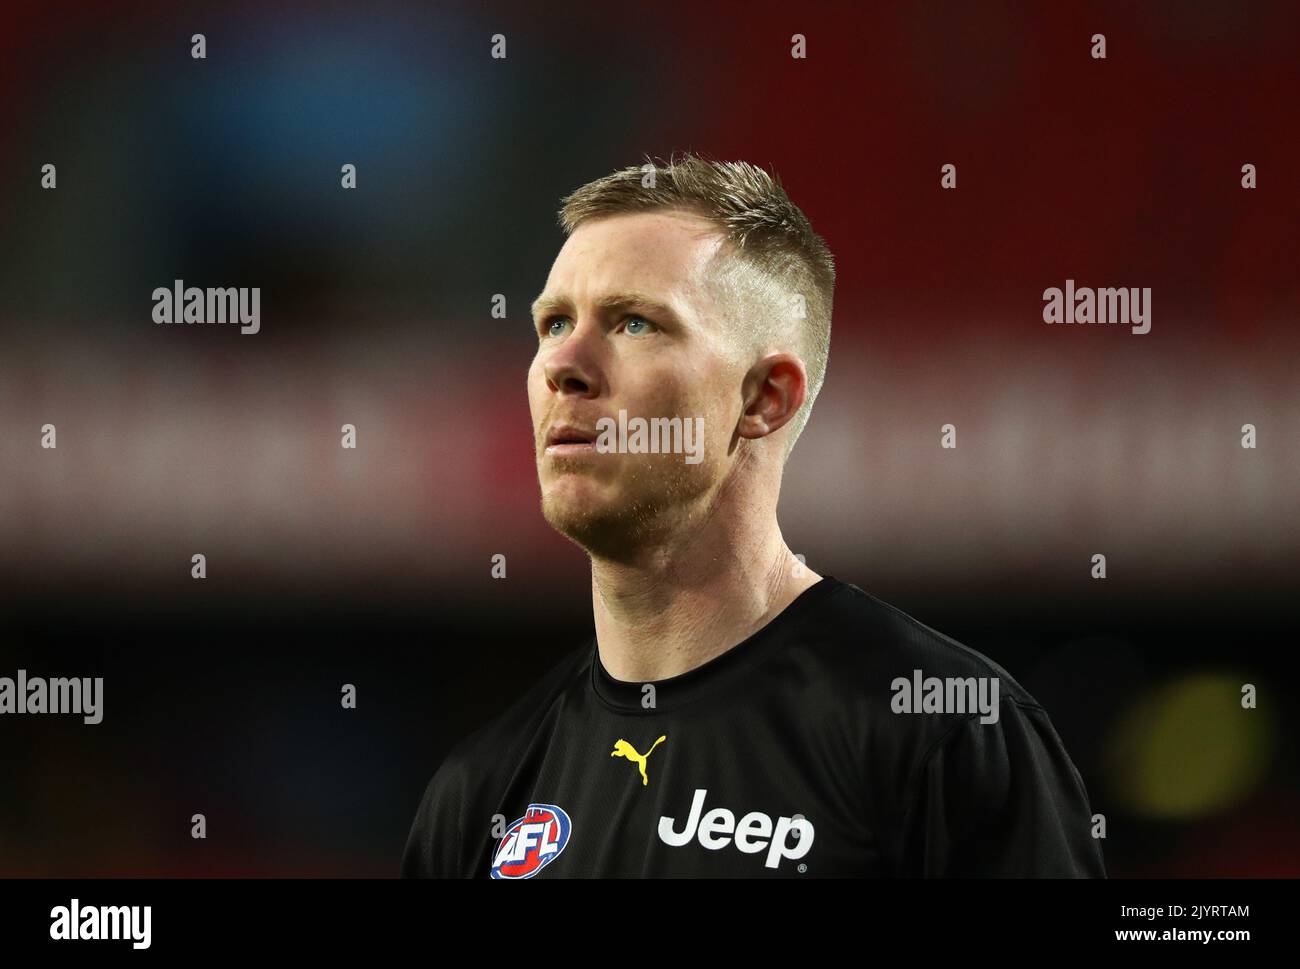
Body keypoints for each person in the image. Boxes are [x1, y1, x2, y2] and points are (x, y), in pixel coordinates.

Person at [402, 153, 1105, 878]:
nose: (562, 364)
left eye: (635, 322)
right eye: (552, 322)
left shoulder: (941, 735)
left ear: (765, 397)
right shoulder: (481, 792)